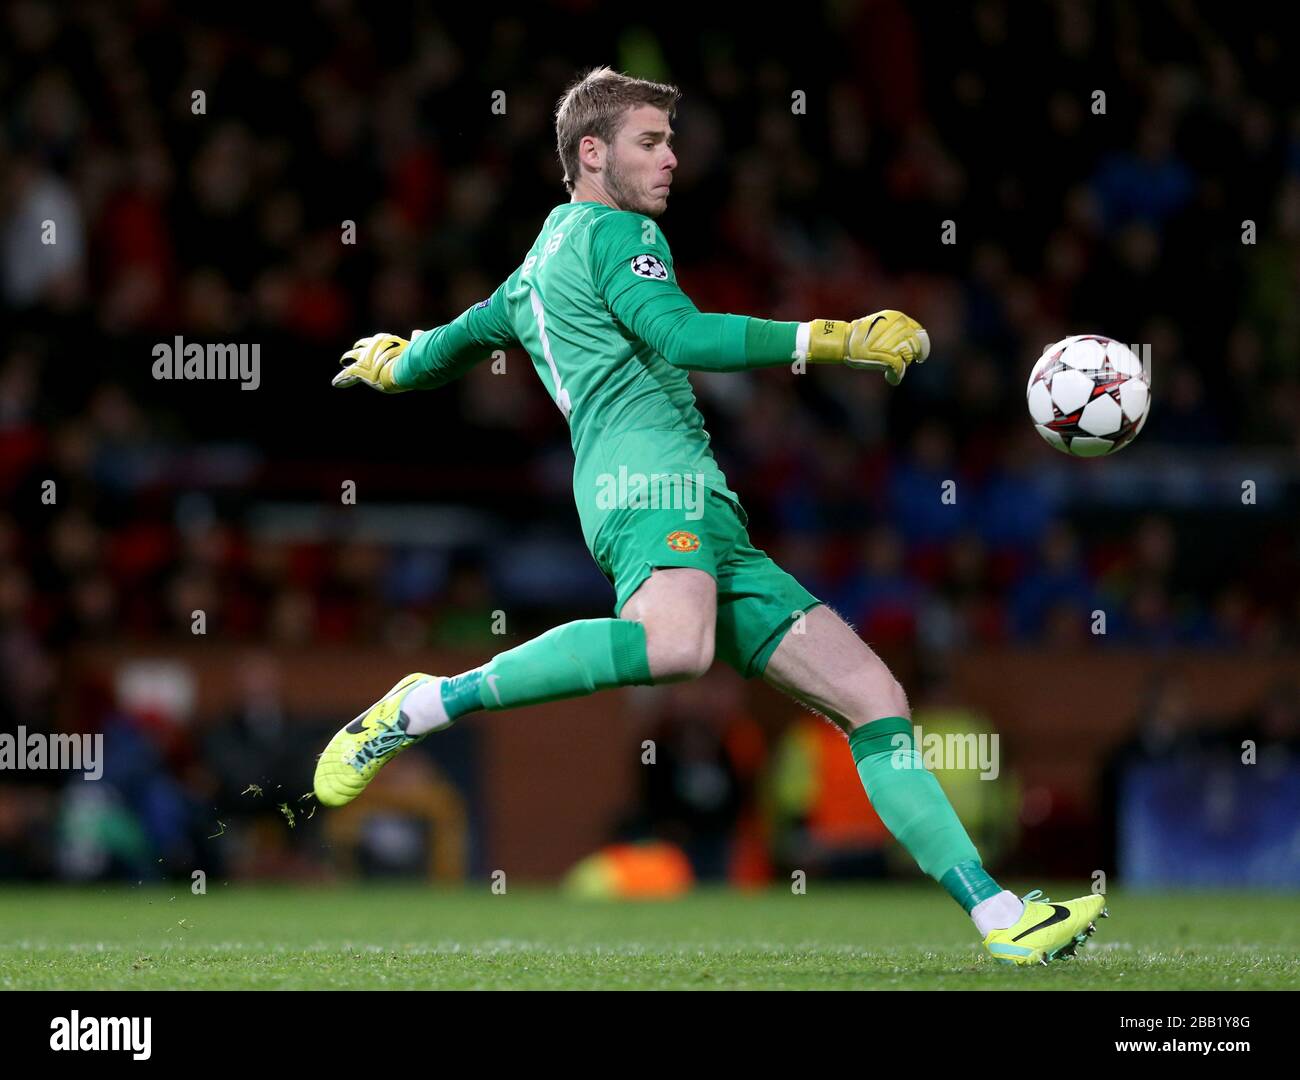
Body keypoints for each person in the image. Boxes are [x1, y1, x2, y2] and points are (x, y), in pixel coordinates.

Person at [312, 66, 1105, 965]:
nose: (672, 159)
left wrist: (397, 359)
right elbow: (683, 336)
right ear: (592, 152)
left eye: (671, 141)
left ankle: (999, 915)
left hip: (702, 506)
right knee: (675, 647)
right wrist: (829, 337)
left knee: (875, 700)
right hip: (644, 483)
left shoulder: (531, 271)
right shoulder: (617, 234)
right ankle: (430, 701)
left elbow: (450, 348)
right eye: (651, 141)